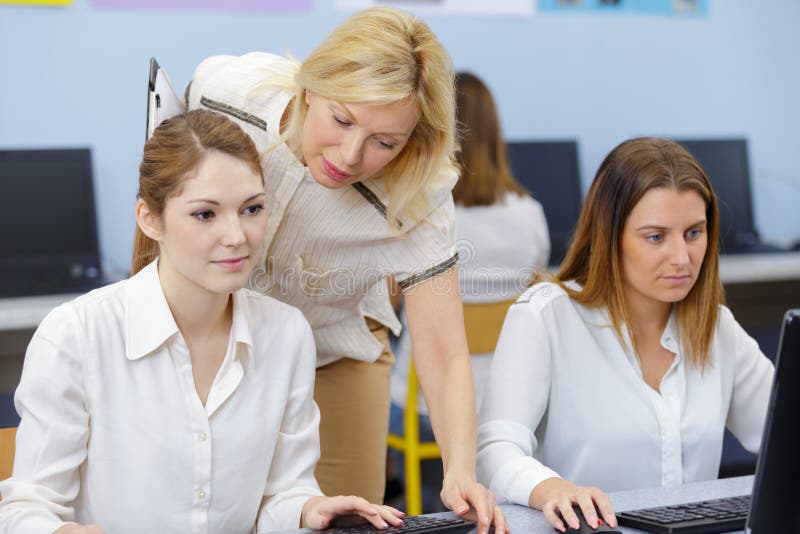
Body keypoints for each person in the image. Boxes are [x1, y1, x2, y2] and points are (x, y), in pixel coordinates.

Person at [0, 110, 404, 533]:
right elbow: (26, 509)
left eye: (252, 209)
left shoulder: (286, 334)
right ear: (149, 219)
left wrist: (307, 509)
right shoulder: (75, 334)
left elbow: (282, 493)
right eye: (205, 214)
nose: (237, 236)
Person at [186, 8, 505, 532]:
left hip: (332, 351)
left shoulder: (420, 196)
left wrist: (460, 470)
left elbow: (444, 353)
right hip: (212, 352)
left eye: (385, 142)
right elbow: (162, 191)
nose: (351, 155)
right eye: (341, 120)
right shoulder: (230, 93)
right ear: (311, 86)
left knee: (350, 521)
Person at [476, 137, 775, 533]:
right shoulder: (547, 317)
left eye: (693, 233)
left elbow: (784, 434)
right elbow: (495, 449)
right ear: (609, 236)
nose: (681, 258)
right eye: (655, 237)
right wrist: (550, 488)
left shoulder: (715, 327)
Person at [388, 72, 550, 506]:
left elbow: (388, 305)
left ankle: (402, 494)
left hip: (425, 411)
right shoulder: (530, 214)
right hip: (512, 407)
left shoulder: (419, 213)